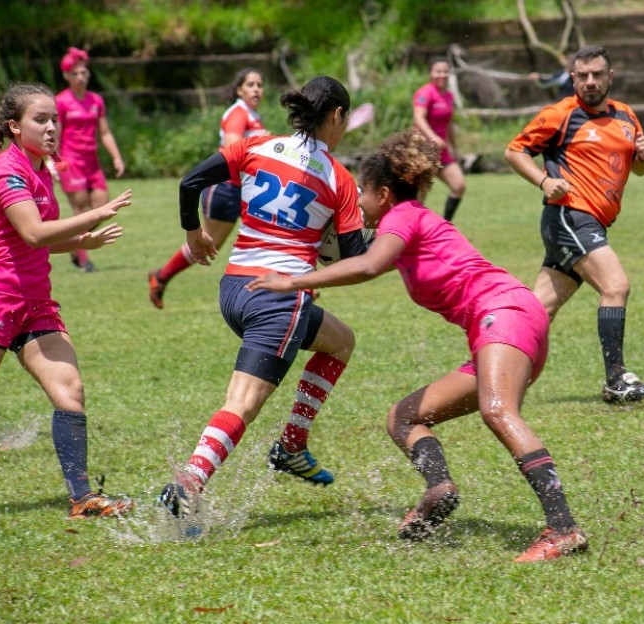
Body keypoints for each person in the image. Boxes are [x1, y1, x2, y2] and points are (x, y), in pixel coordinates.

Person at [248, 130, 587, 563]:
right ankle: (438, 490)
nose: (359, 201)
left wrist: (292, 281)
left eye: (362, 193)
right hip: (504, 322)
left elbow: (368, 265)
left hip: (504, 313)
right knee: (404, 417)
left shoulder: (403, 217)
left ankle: (563, 528)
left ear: (384, 193)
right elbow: (360, 259)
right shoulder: (406, 226)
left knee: (498, 410)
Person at [159, 76, 367, 520]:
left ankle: (292, 446)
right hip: (278, 301)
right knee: (243, 403)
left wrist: (194, 234)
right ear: (335, 117)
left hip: (234, 290)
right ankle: (189, 482)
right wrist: (363, 225)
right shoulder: (339, 179)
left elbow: (189, 182)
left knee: (340, 341)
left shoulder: (256, 147)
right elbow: (355, 261)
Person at [0, 82, 134, 519]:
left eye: (54, 120)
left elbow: (40, 243)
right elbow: (33, 232)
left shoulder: (40, 168)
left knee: (70, 390)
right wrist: (95, 213)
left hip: (34, 301)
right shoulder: (8, 170)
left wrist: (84, 241)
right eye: (40, 120)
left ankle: (83, 499)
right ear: (13, 125)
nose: (51, 128)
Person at [505, 44, 644, 404]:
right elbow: (514, 150)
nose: (590, 82)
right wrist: (544, 181)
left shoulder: (626, 116)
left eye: (597, 75)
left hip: (590, 222)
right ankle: (616, 379)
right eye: (583, 76)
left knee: (539, 308)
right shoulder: (560, 114)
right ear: (573, 78)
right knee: (616, 286)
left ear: (610, 76)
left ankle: (495, 373)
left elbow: (637, 167)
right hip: (570, 215)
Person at [148, 68, 268, 309]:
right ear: (239, 90)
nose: (256, 89)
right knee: (204, 247)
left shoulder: (252, 116)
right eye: (250, 84)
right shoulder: (238, 113)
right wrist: (262, 144)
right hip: (226, 189)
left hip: (246, 191)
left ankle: (294, 287)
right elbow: (232, 146)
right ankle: (160, 277)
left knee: (264, 238)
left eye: (259, 84)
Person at [56, 47, 125, 272]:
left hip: (91, 162)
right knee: (82, 210)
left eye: (84, 73)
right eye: (75, 73)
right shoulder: (61, 101)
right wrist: (52, 161)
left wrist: (116, 157)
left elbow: (104, 132)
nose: (81, 77)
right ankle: (84, 260)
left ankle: (72, 243)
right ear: (66, 75)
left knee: (103, 206)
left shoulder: (95, 100)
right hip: (70, 161)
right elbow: (54, 133)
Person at [412, 58, 465, 222]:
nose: (442, 75)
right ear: (430, 73)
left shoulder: (449, 95)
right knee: (420, 194)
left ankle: (446, 225)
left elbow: (449, 124)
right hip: (424, 150)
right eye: (438, 71)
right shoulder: (424, 93)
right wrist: (433, 137)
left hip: (442, 151)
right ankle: (409, 231)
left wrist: (454, 148)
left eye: (445, 71)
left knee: (459, 185)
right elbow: (418, 117)